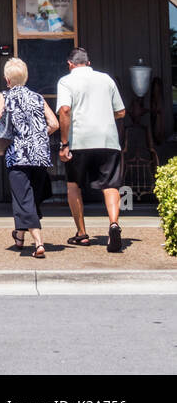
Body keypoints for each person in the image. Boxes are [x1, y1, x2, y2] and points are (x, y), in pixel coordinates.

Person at [56, 48, 127, 252]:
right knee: (111, 185)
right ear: (88, 62)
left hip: (79, 140)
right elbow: (121, 112)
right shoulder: (106, 80)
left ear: (69, 64)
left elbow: (65, 110)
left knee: (73, 185)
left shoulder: (66, 81)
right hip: (107, 140)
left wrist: (64, 143)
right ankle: (113, 224)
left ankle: (82, 234)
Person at [0, 57, 59, 258]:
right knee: (30, 198)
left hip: (17, 156)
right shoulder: (38, 97)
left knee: (23, 200)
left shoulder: (5, 96)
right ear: (26, 77)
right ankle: (19, 236)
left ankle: (38, 242)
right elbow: (54, 123)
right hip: (39, 156)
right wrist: (37, 135)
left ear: (7, 79)